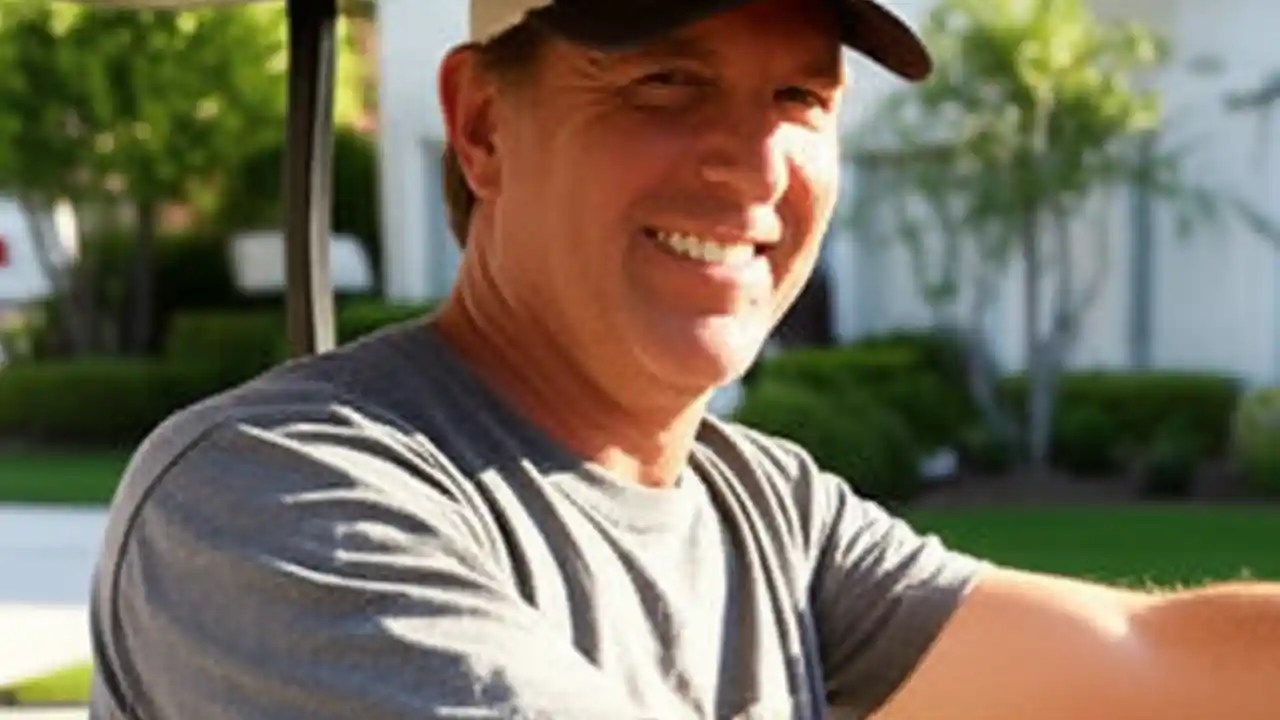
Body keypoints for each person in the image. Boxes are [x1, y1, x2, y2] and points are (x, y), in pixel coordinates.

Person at [88, 0, 1279, 718]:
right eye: (665, 80)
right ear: (482, 127)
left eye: (799, 95)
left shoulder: (763, 509)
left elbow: (1144, 662)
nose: (756, 164)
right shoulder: (271, 497)